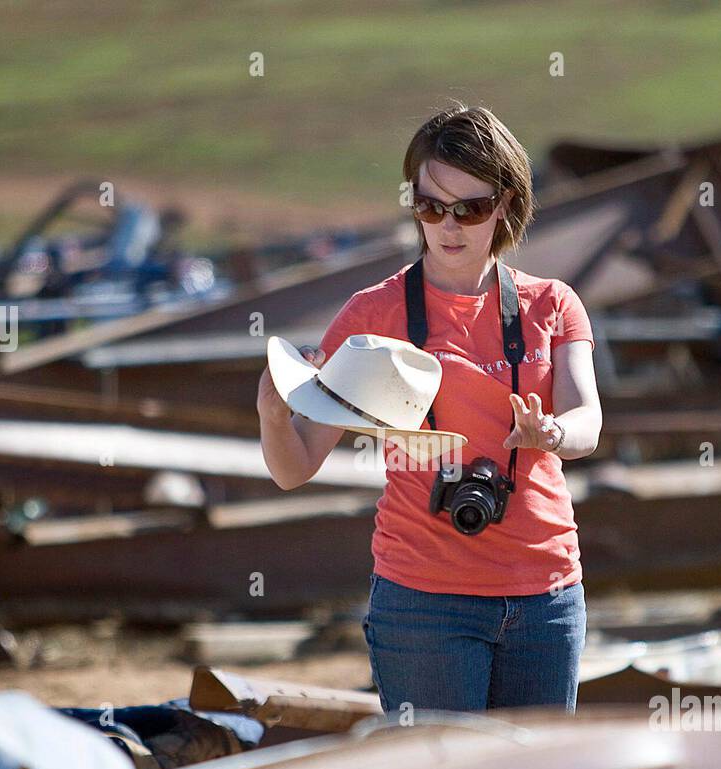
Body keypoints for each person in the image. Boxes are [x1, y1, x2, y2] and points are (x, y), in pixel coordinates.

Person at [258, 102, 601, 714]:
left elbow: (588, 424)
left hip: (545, 594)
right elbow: (295, 468)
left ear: (507, 206)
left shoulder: (554, 304)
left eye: (470, 208)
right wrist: (273, 412)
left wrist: (550, 433)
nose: (448, 226)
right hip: (423, 600)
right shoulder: (373, 315)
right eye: (429, 206)